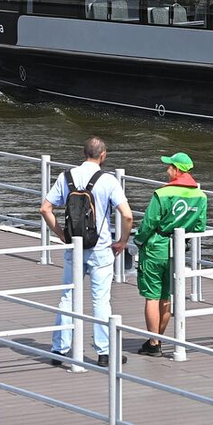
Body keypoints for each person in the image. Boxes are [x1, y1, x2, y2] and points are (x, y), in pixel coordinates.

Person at [39, 137, 133, 368]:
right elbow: (127, 215)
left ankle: (59, 349)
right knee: (101, 301)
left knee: (68, 297)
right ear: (103, 155)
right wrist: (121, 241)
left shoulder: (66, 177)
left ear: (83, 153)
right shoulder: (108, 180)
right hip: (100, 249)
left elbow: (45, 208)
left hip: (75, 246)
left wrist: (61, 234)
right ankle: (104, 353)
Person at [132, 152, 208, 357]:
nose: (166, 170)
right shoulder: (200, 196)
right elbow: (200, 226)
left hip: (156, 246)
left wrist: (137, 240)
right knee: (167, 296)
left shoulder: (162, 194)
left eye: (169, 167)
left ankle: (154, 342)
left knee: (151, 296)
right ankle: (157, 340)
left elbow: (149, 223)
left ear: (177, 170)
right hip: (178, 249)